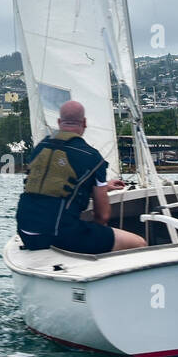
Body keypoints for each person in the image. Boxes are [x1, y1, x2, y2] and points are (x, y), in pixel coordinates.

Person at [16, 100, 147, 253]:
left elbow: (54, 185)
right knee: (139, 243)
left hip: (26, 232)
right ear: (84, 123)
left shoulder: (40, 148)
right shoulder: (92, 157)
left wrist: (102, 187)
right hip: (59, 235)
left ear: (59, 122)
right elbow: (102, 215)